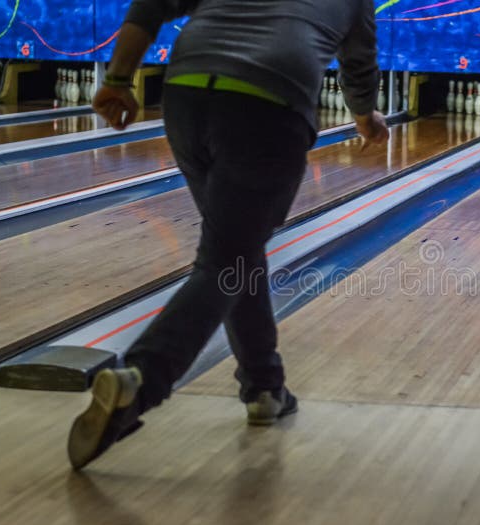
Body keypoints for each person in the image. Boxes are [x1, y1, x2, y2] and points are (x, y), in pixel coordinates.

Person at [68, 0, 389, 470]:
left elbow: (150, 4)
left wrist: (117, 79)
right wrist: (364, 117)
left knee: (235, 251)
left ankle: (264, 387)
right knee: (225, 262)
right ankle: (141, 379)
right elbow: (358, 64)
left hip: (187, 93)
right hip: (269, 103)